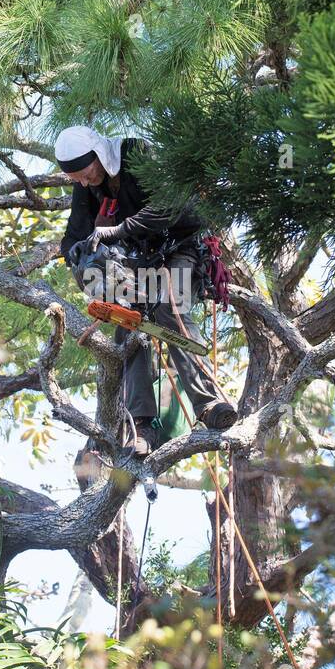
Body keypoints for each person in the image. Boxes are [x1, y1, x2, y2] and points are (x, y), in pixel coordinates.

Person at [56, 124, 237, 455]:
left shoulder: (137, 154)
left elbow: (171, 206)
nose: (83, 182)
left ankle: (209, 404)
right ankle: (140, 426)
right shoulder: (87, 186)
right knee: (130, 324)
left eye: (86, 173)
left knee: (171, 306)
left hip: (179, 247)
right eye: (77, 179)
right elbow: (72, 235)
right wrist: (77, 255)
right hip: (142, 258)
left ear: (99, 155)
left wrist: (118, 230)